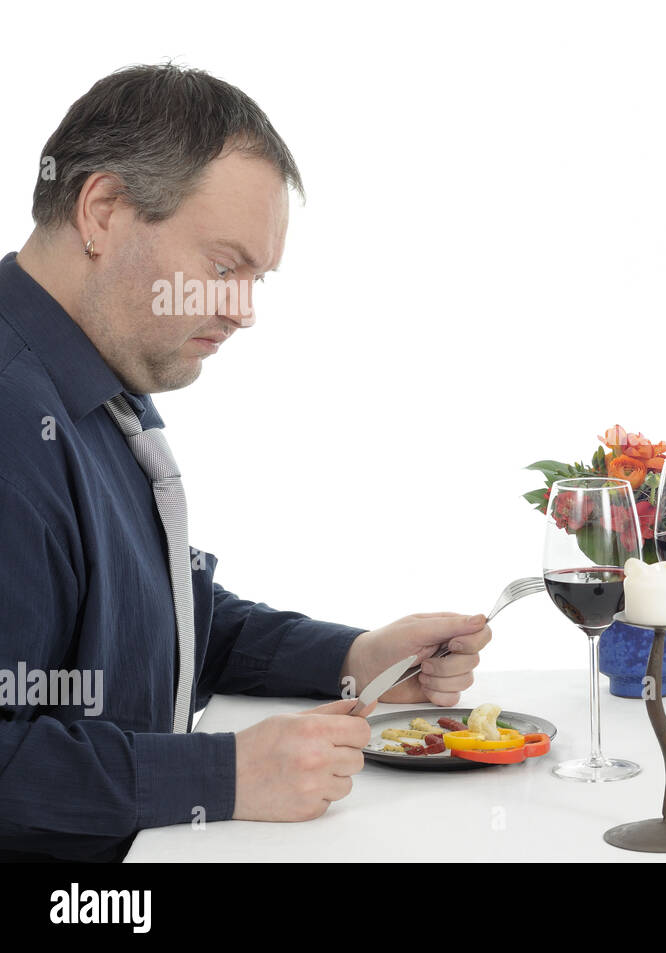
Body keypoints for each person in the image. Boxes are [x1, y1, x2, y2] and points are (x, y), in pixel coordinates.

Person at [0, 64, 491, 862]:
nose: (243, 311)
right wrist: (224, 772)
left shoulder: (94, 374)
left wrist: (349, 659)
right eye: (224, 267)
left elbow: (150, 615)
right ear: (103, 212)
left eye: (257, 278)